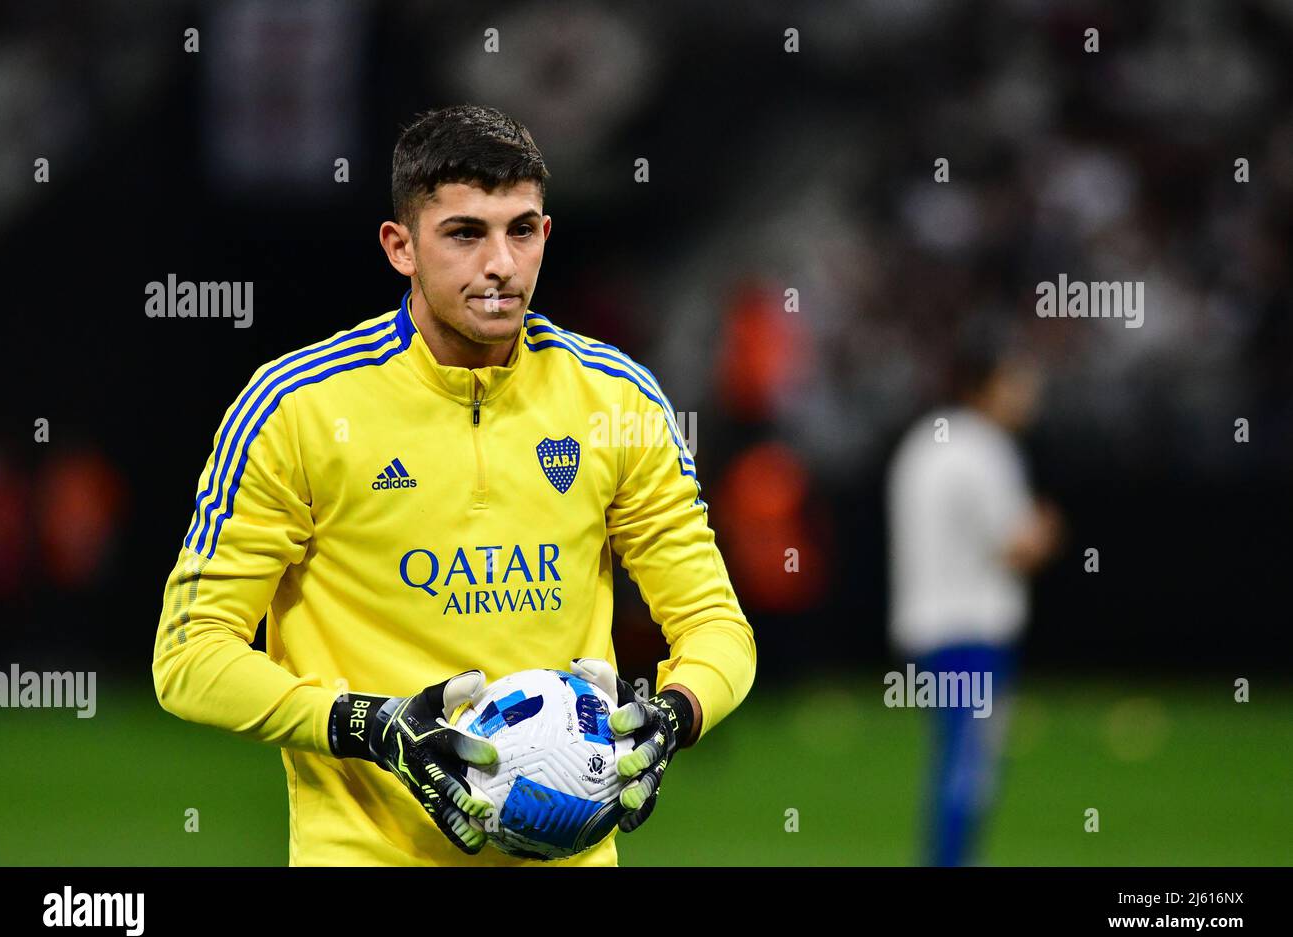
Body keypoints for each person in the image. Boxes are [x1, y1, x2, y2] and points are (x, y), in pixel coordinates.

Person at [152, 105, 756, 866]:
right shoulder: (298, 408)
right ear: (400, 246)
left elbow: (716, 624)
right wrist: (369, 725)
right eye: (466, 234)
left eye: (522, 229)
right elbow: (188, 656)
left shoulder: (618, 401)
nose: (500, 264)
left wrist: (675, 714)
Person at [886, 339, 1062, 866]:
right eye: (1015, 381)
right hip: (972, 630)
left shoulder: (923, 441)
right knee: (969, 764)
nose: (1027, 394)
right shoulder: (985, 447)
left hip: (925, 626)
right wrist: (1049, 529)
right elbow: (1018, 546)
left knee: (955, 758)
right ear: (983, 386)